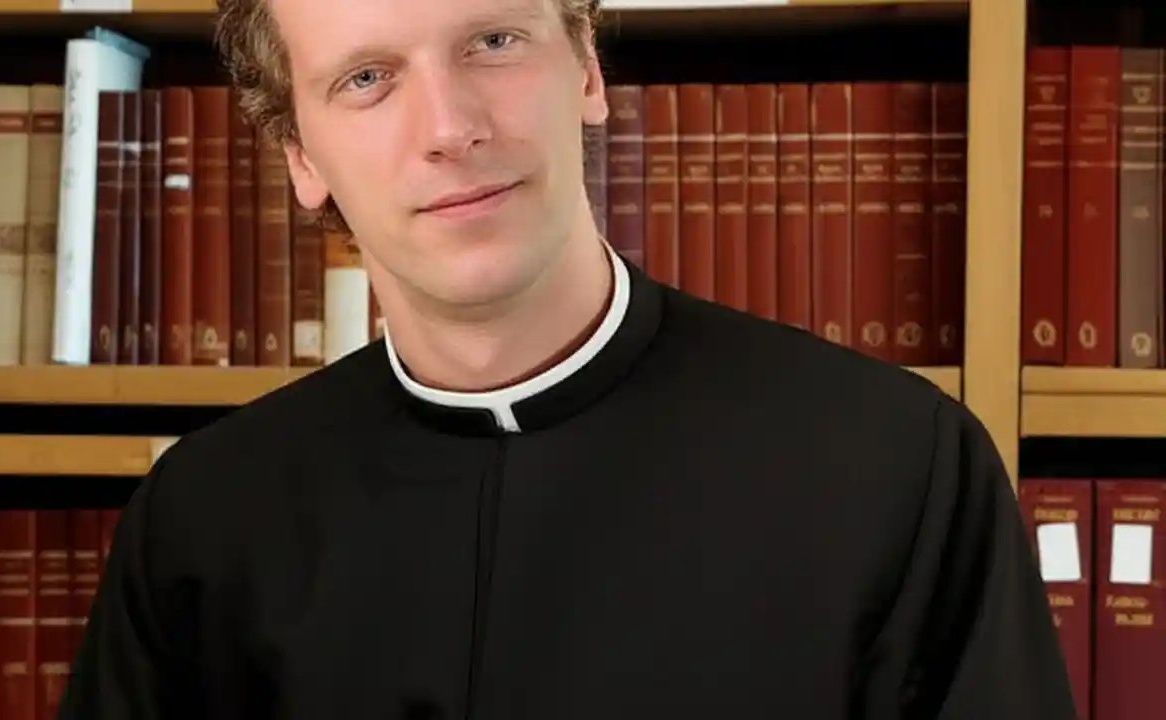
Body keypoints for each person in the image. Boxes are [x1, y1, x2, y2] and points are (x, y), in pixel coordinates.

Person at [58, 0, 1078, 717]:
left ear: (584, 68)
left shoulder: (895, 466)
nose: (450, 129)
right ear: (301, 160)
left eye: (493, 42)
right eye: (366, 79)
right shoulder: (202, 517)